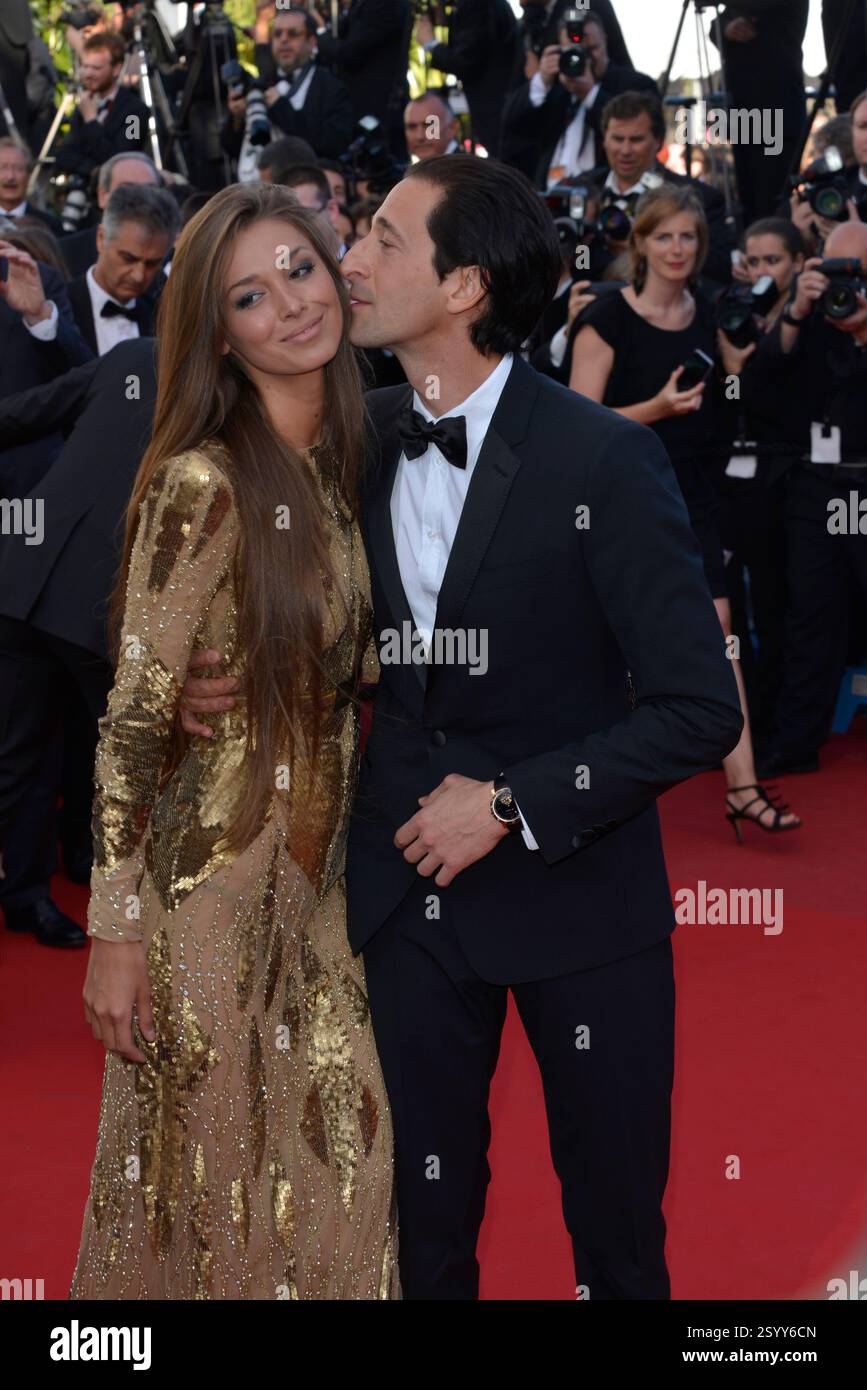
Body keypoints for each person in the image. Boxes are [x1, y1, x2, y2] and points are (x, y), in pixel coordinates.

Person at [181, 155, 744, 1300]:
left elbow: (700, 708)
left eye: (385, 237)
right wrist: (211, 677)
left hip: (583, 901)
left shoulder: (604, 455)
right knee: (413, 1232)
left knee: (618, 1234)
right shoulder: (350, 436)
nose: (352, 257)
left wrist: (510, 802)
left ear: (465, 286)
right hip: (403, 904)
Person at [69, 183, 397, 1299]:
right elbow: (130, 721)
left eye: (300, 270)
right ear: (220, 330)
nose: (292, 306)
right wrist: (117, 933)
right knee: (216, 1205)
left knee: (347, 1182)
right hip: (202, 903)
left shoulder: (343, 464)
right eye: (252, 295)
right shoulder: (201, 482)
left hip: (317, 898)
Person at [569, 184, 800, 839]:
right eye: (664, 235)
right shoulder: (607, 320)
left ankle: (742, 786)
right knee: (601, 642)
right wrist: (654, 409)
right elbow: (575, 423)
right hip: (617, 495)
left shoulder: (710, 315)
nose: (677, 248)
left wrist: (732, 365)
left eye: (688, 238)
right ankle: (577, 784)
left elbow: (731, 400)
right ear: (639, 242)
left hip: (693, 492)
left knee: (719, 629)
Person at [756, 220, 867, 777]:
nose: (846, 285)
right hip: (816, 488)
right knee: (810, 618)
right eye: (835, 271)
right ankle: (794, 743)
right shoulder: (811, 319)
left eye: (858, 273)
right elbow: (765, 375)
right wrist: (798, 310)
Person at [717, 218, 806, 744]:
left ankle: (775, 728)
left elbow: (788, 410)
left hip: (788, 483)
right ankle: (733, 730)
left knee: (776, 607)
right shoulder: (732, 317)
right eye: (753, 261)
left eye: (773, 261)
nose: (762, 272)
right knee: (730, 613)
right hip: (731, 484)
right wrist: (732, 370)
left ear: (797, 263)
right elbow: (725, 408)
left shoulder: (813, 322)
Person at [587, 90, 733, 286]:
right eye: (617, 139)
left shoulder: (699, 198)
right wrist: (587, 247)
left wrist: (651, 248)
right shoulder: (581, 190)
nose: (625, 150)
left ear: (658, 141)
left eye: (636, 140)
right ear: (604, 139)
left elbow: (717, 271)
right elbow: (576, 265)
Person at [502, 10, 657, 190]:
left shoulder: (635, 85)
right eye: (573, 52)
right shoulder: (556, 86)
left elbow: (629, 131)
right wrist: (540, 81)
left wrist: (590, 94)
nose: (583, 59)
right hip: (548, 194)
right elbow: (510, 124)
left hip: (601, 195)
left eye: (591, 49)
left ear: (605, 41)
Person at [221, 7, 354, 179]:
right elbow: (230, 148)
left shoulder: (330, 87)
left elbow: (333, 144)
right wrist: (236, 118)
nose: (284, 40)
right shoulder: (259, 83)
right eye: (277, 34)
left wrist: (280, 108)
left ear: (312, 42)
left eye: (293, 34)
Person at [65, 183, 178, 354]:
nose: (139, 276)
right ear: (101, 239)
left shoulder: (167, 317)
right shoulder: (59, 310)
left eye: (152, 263)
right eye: (128, 259)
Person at [416, 0, 522, 158]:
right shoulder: (477, 7)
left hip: (496, 109)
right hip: (498, 107)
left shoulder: (479, 5)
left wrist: (431, 43)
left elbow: (464, 61)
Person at [53, 31, 148, 182]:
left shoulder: (135, 112)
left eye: (96, 68)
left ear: (116, 69)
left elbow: (123, 157)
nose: (88, 74)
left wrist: (91, 121)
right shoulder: (85, 105)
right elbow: (64, 154)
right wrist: (92, 170)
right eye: (85, 66)